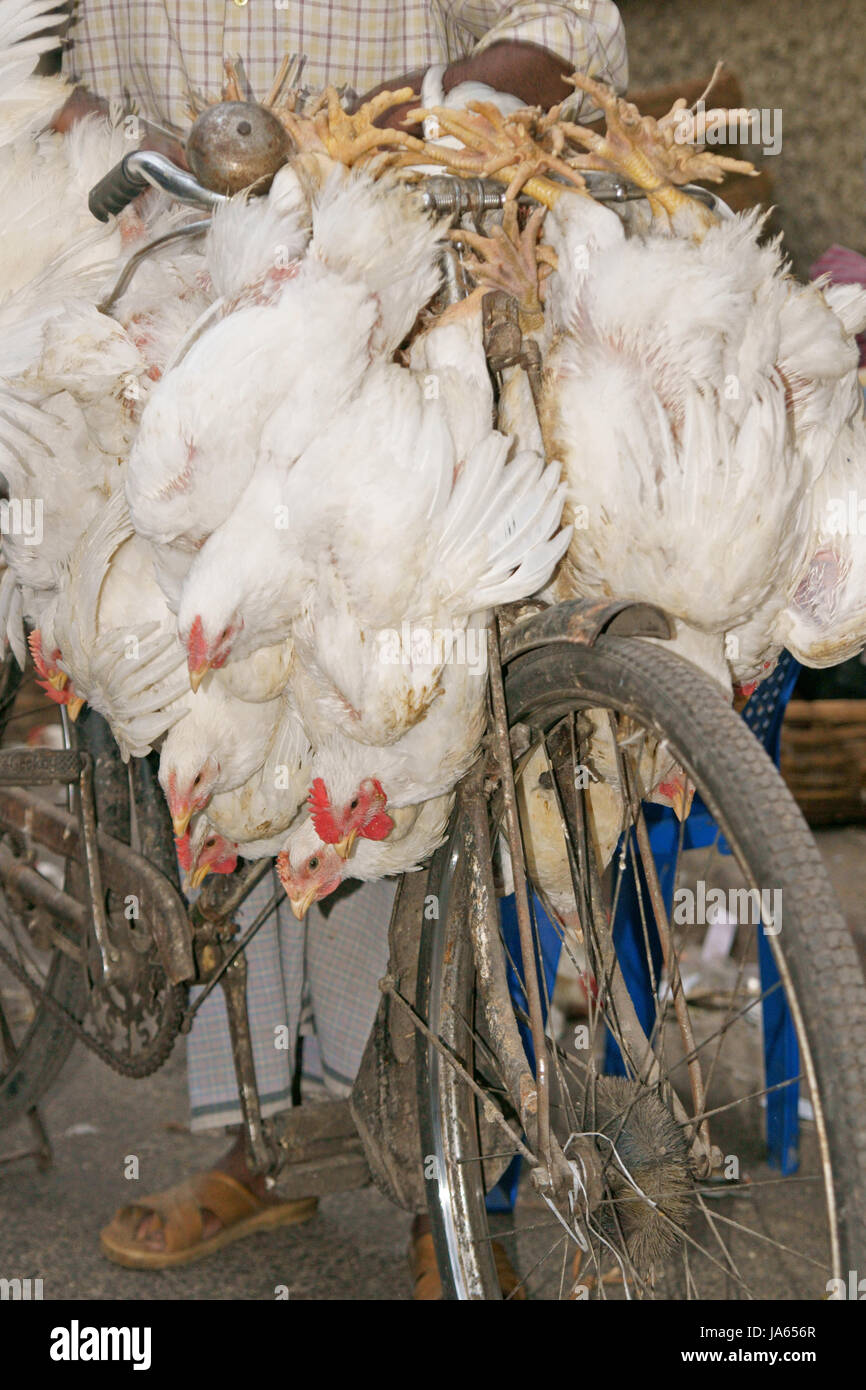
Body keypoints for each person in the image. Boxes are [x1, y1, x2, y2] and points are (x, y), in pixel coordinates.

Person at [55, 0, 627, 1291]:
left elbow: (571, 23)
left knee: (428, 758)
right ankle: (252, 1146)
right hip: (177, 275)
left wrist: (441, 99)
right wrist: (91, 144)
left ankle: (447, 1181)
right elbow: (50, 64)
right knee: (230, 727)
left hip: (403, 291)